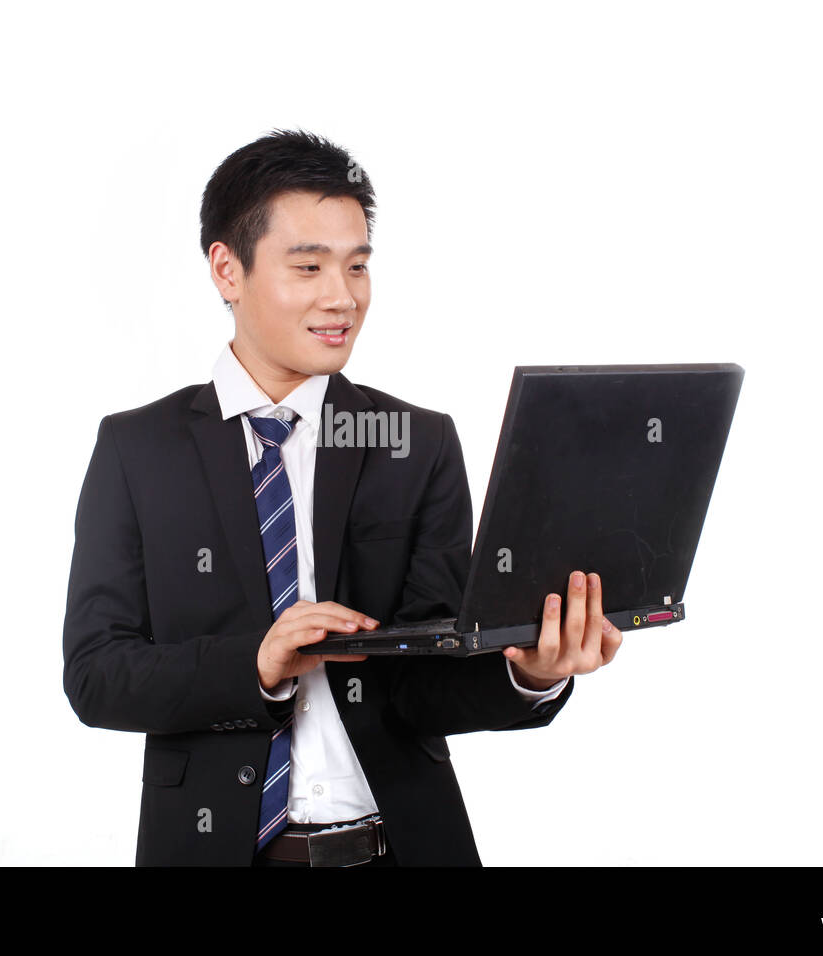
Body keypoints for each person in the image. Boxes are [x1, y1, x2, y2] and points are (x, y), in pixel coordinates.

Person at [62, 129, 624, 867]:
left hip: (396, 850)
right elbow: (96, 674)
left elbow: (426, 687)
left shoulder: (413, 441)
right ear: (227, 270)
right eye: (309, 267)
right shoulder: (138, 449)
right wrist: (255, 664)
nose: (343, 297)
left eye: (358, 266)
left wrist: (531, 672)